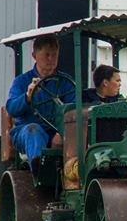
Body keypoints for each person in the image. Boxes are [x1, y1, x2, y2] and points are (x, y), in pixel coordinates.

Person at [5, 34, 75, 168]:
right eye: (47, 55)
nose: (51, 59)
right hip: (26, 132)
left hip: (57, 132)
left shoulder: (67, 83)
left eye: (54, 55)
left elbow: (74, 110)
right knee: (33, 130)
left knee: (79, 134)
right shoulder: (22, 81)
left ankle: (76, 175)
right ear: (34, 55)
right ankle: (39, 171)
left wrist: (62, 132)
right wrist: (27, 97)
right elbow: (12, 108)